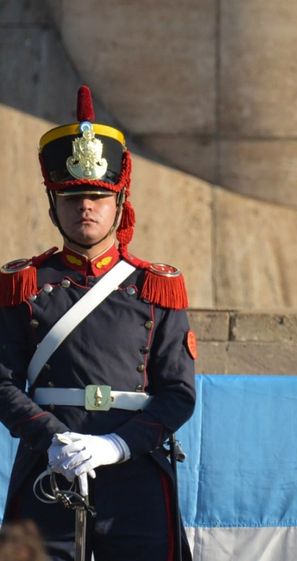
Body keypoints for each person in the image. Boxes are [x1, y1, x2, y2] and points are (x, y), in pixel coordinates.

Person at [0, 85, 196, 560]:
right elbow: (2, 382)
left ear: (119, 202)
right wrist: (52, 439)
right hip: (49, 467)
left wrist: (117, 446)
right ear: (53, 205)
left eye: (96, 196)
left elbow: (178, 393)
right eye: (71, 197)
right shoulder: (25, 284)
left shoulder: (156, 286)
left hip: (136, 471)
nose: (84, 206)